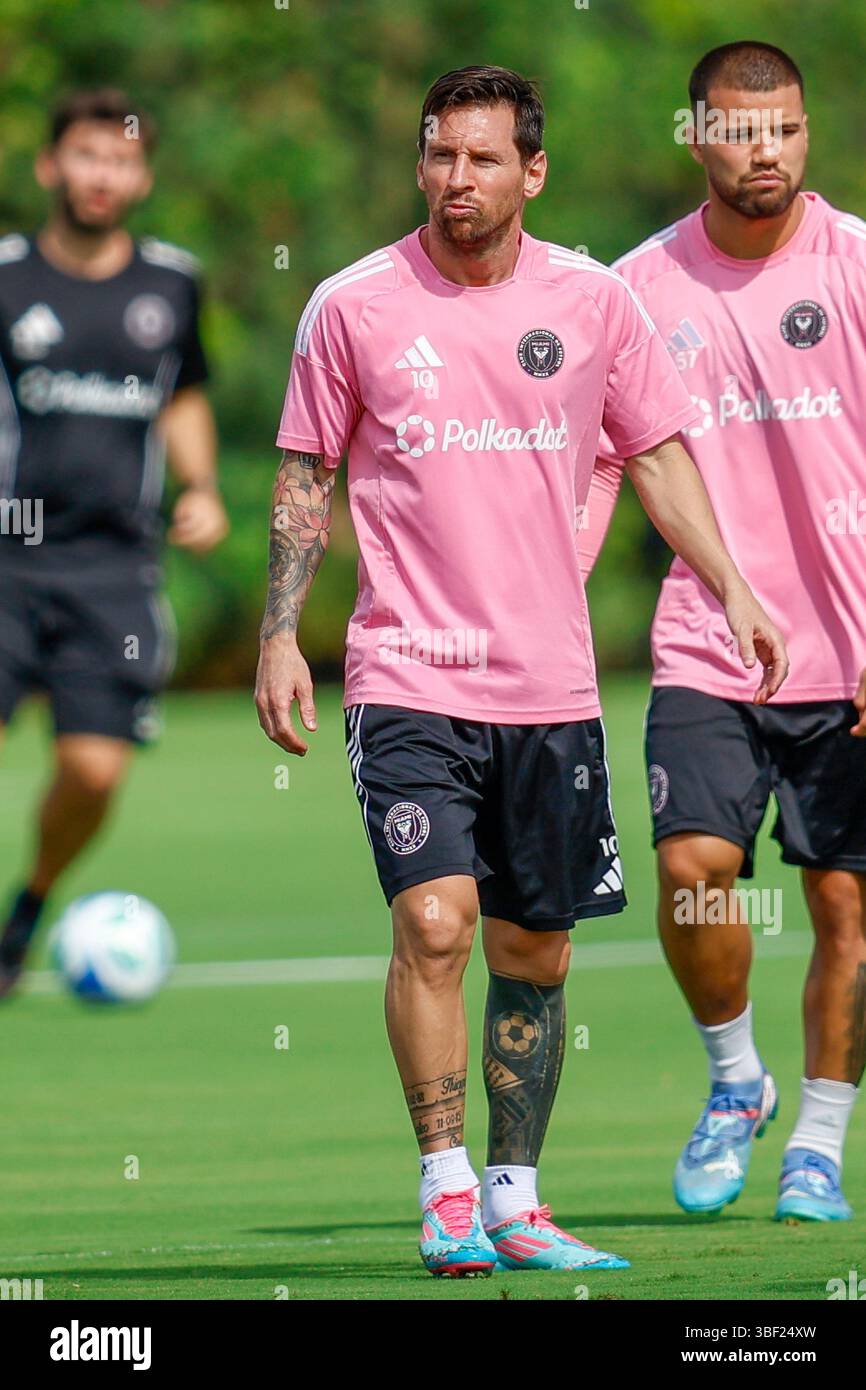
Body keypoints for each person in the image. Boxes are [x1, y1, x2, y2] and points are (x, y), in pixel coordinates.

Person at [256, 65, 786, 1276]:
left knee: (532, 953)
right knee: (434, 925)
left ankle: (514, 1196)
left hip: (548, 691)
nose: (456, 179)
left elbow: (651, 455)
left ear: (530, 172)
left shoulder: (594, 304)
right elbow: (303, 475)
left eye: (482, 159)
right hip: (405, 677)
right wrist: (282, 632)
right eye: (439, 156)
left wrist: (734, 588)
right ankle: (443, 1190)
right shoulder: (352, 304)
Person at [581, 41, 866, 1222]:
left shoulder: (854, 264)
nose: (768, 152)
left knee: (844, 907)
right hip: (712, 640)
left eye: (786, 129)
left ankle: (818, 1138)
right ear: (691, 134)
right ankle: (734, 1079)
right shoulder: (634, 289)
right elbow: (596, 461)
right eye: (742, 132)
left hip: (849, 650)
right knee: (697, 877)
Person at [0, 88, 228, 995]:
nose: (105, 175)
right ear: (52, 166)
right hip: (6, 559)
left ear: (143, 175)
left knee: (92, 772)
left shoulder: (170, 282)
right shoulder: (7, 275)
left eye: (123, 159)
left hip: (114, 568)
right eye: (88, 156)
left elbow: (183, 392)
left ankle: (26, 910)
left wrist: (202, 487)